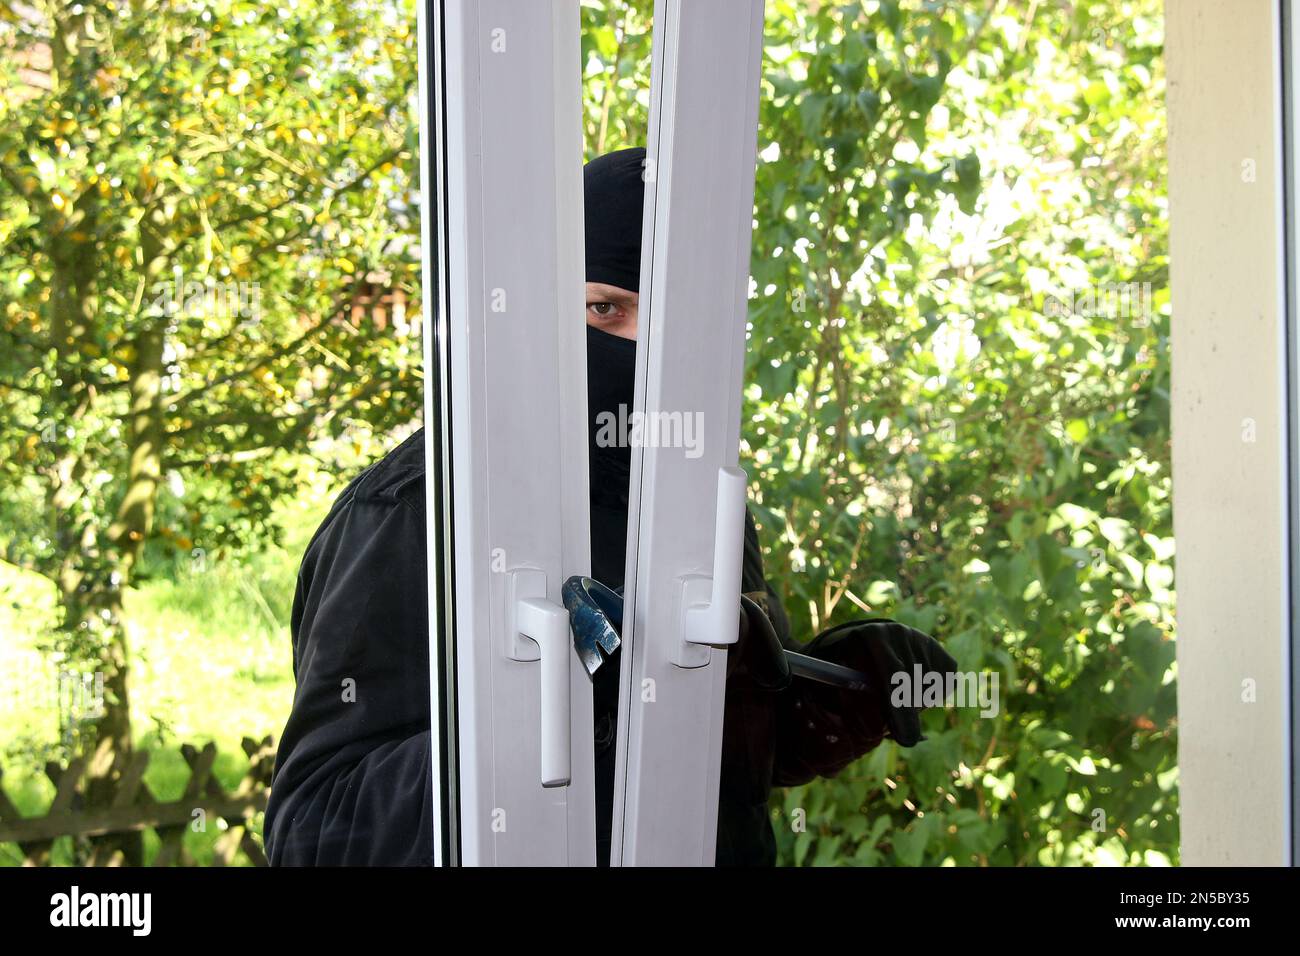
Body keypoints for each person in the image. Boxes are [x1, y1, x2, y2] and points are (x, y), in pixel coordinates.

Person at [263, 147, 956, 867]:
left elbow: (700, 763)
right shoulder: (422, 509)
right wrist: (558, 709)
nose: (644, 347)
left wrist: (809, 701)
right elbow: (315, 831)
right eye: (605, 308)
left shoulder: (701, 493)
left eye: (675, 318)